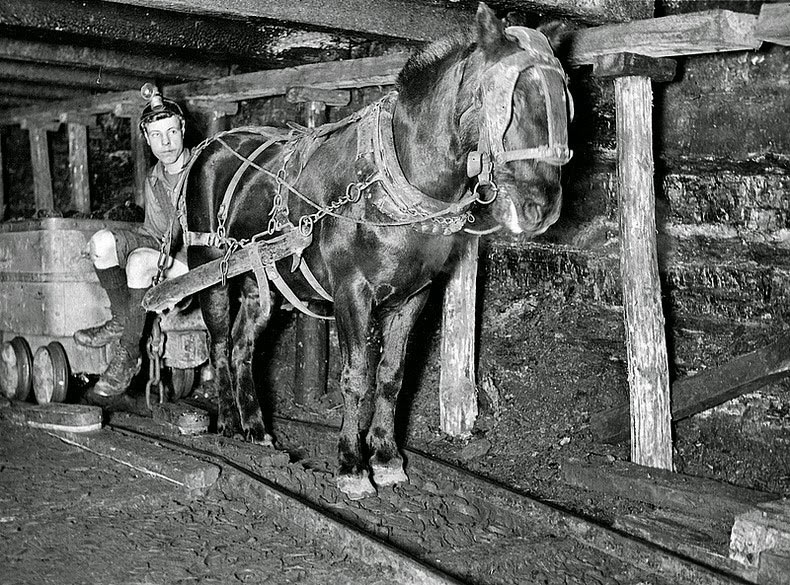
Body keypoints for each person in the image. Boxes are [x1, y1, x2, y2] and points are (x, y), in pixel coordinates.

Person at [74, 85, 190, 397]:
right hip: (161, 249)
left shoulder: (201, 170)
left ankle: (128, 355)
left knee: (139, 261)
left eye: (171, 133)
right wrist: (119, 242)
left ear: (183, 130)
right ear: (147, 138)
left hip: (195, 263)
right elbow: (152, 232)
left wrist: (147, 253)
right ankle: (122, 319)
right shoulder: (155, 177)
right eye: (156, 135)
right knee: (100, 242)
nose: (165, 143)